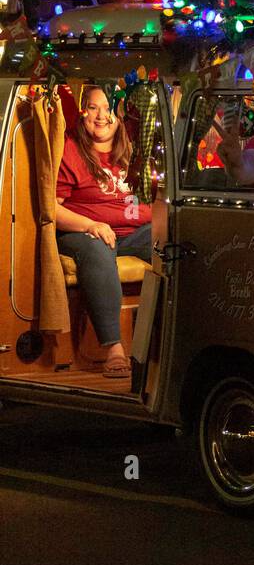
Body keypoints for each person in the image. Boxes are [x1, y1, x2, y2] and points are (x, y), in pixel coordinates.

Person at [55, 86, 153, 380]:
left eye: (107, 108)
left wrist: (147, 218)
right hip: (83, 232)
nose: (101, 116)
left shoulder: (130, 149)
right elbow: (52, 208)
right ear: (83, 112)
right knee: (97, 248)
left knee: (171, 241)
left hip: (131, 234)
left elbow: (133, 200)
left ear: (118, 114)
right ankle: (113, 348)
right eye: (92, 108)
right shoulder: (70, 149)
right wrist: (91, 225)